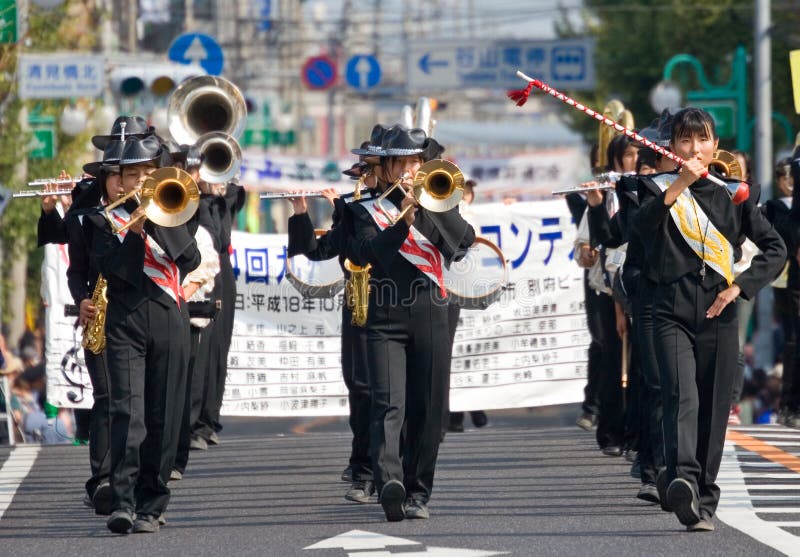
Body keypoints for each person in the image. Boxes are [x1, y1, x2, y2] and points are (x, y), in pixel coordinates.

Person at [634, 107, 785, 531]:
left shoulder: (735, 193)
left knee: (714, 408)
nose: (695, 149)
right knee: (682, 396)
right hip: (670, 311)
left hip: (720, 312)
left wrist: (741, 285)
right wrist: (679, 184)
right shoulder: (656, 190)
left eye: (702, 140)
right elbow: (640, 229)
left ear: (715, 146)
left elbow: (775, 248)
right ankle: (681, 478)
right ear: (672, 148)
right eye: (685, 141)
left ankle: (703, 495)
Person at [344, 125, 475, 521]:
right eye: (401, 162)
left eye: (416, 162)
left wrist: (428, 208)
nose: (409, 169)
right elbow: (369, 253)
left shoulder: (437, 202)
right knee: (388, 403)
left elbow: (462, 243)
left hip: (431, 310)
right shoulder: (360, 210)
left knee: (428, 407)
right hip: (383, 316)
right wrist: (402, 220)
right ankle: (390, 483)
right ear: (385, 167)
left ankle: (419, 491)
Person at [89, 136, 200, 534]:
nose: (138, 181)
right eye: (131, 174)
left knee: (164, 416)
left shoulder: (178, 207)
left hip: (169, 316)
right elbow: (118, 274)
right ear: (118, 178)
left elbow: (191, 259)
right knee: (128, 413)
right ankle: (122, 500)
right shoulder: (103, 220)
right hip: (125, 322)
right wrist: (134, 232)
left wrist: (155, 218)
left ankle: (152, 503)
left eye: (146, 174)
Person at [63, 138, 127, 514]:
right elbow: (75, 271)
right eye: (115, 176)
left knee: (134, 401)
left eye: (129, 175)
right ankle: (102, 479)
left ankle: (132, 476)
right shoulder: (85, 218)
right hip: (99, 315)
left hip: (139, 316)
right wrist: (82, 299)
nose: (122, 183)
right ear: (102, 179)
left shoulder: (152, 213)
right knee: (105, 397)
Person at [447, 178, 488, 433]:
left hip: (466, 287)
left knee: (466, 353)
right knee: (447, 354)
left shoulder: (468, 215)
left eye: (467, 192)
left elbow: (470, 239)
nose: (464, 196)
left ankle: (473, 407)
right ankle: (452, 415)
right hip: (446, 287)